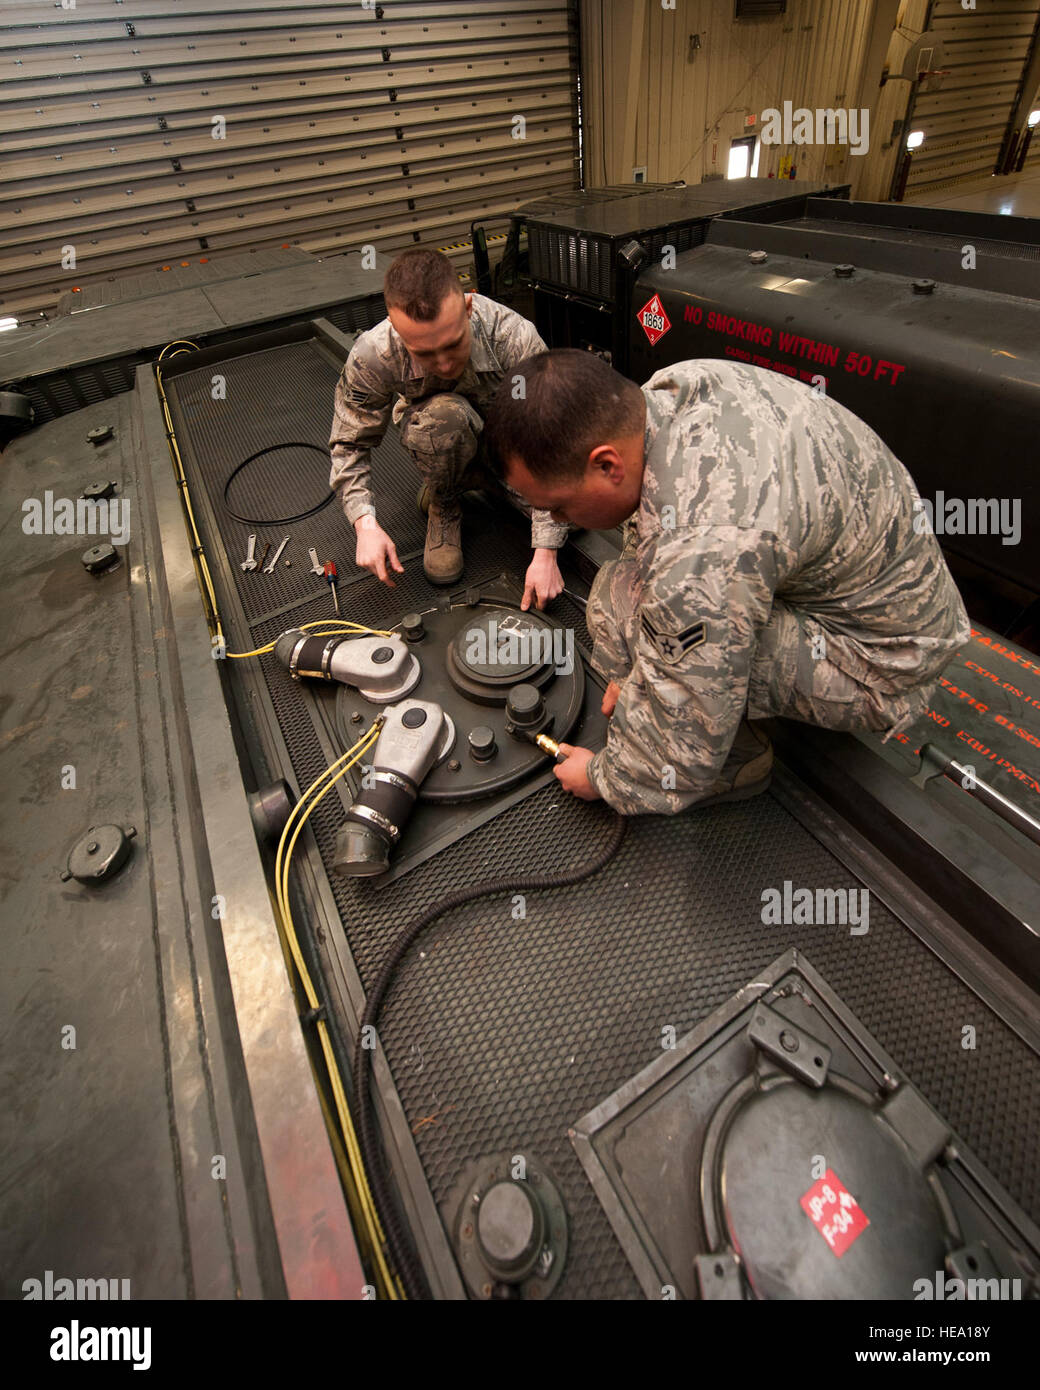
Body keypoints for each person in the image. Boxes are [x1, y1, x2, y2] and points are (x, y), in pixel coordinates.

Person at [483, 350, 972, 815]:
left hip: (882, 666)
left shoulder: (703, 543)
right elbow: (655, 529)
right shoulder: (670, 392)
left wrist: (606, 777)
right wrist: (630, 679)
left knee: (639, 619)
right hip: (881, 596)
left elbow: (687, 712)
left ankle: (737, 760)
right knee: (632, 597)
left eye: (560, 508)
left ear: (607, 464)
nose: (555, 519)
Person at [328, 247, 567, 603]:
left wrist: (546, 552)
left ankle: (485, 482)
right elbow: (350, 444)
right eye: (423, 352)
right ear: (395, 328)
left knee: (571, 520)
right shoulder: (373, 354)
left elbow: (551, 441)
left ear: (468, 308)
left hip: (513, 449)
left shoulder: (514, 338)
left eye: (453, 345)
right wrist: (365, 524)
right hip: (443, 437)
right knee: (444, 419)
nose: (442, 363)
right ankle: (445, 497)